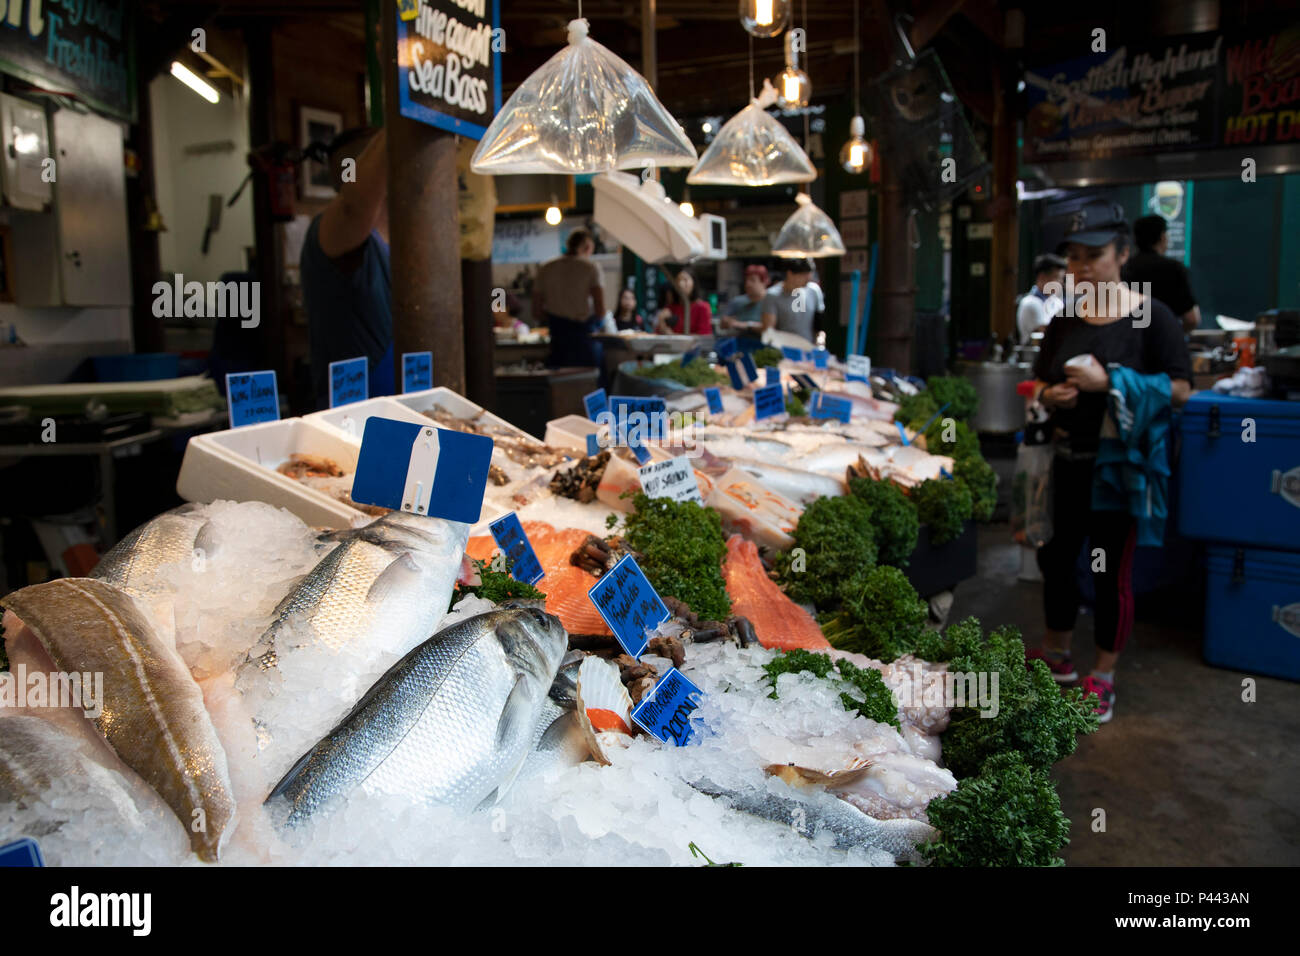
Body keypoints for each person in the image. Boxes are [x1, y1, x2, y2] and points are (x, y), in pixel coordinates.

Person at [1027, 199, 1192, 724]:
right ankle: (1056, 654)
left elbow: (1182, 389)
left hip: (1119, 470)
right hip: (1066, 460)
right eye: (1073, 258)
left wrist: (1111, 382)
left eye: (1092, 256)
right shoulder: (1065, 320)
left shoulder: (1153, 317)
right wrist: (1051, 395)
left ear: (1121, 254)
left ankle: (1104, 674)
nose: (1080, 268)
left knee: (1108, 572)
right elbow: (1038, 380)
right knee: (1055, 558)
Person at [300, 128, 393, 407]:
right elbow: (354, 207)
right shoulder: (332, 231)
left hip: (409, 415)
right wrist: (405, 118)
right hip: (353, 422)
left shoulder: (406, 242)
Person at [535, 229, 605, 366]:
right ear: (588, 247)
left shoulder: (546, 268)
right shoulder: (591, 268)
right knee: (589, 384)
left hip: (558, 340)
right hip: (584, 339)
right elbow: (600, 310)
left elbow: (536, 312)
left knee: (561, 384)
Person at [1122, 215, 1201, 333]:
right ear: (1163, 237)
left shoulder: (1123, 269)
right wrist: (1173, 336)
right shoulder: (1173, 269)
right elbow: (1191, 319)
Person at [761, 258, 819, 342]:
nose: (808, 279)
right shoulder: (772, 295)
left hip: (809, 347)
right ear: (790, 274)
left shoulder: (813, 290)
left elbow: (819, 323)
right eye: (803, 274)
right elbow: (768, 330)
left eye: (809, 274)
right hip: (784, 348)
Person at [1016, 253, 1066, 344]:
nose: (1061, 283)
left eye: (1062, 279)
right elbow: (1047, 332)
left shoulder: (1057, 302)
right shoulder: (1030, 303)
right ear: (1042, 277)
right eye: (1057, 278)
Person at [654, 268, 713, 335]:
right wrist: (662, 321)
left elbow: (704, 335)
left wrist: (672, 335)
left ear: (694, 282)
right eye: (678, 280)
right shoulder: (670, 308)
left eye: (685, 280)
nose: (680, 284)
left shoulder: (702, 307)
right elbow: (658, 333)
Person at [720, 264, 769, 331]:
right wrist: (726, 321)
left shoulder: (772, 302)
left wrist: (746, 325)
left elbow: (770, 328)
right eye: (746, 280)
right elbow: (723, 324)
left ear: (764, 282)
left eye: (752, 280)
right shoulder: (737, 301)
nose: (748, 284)